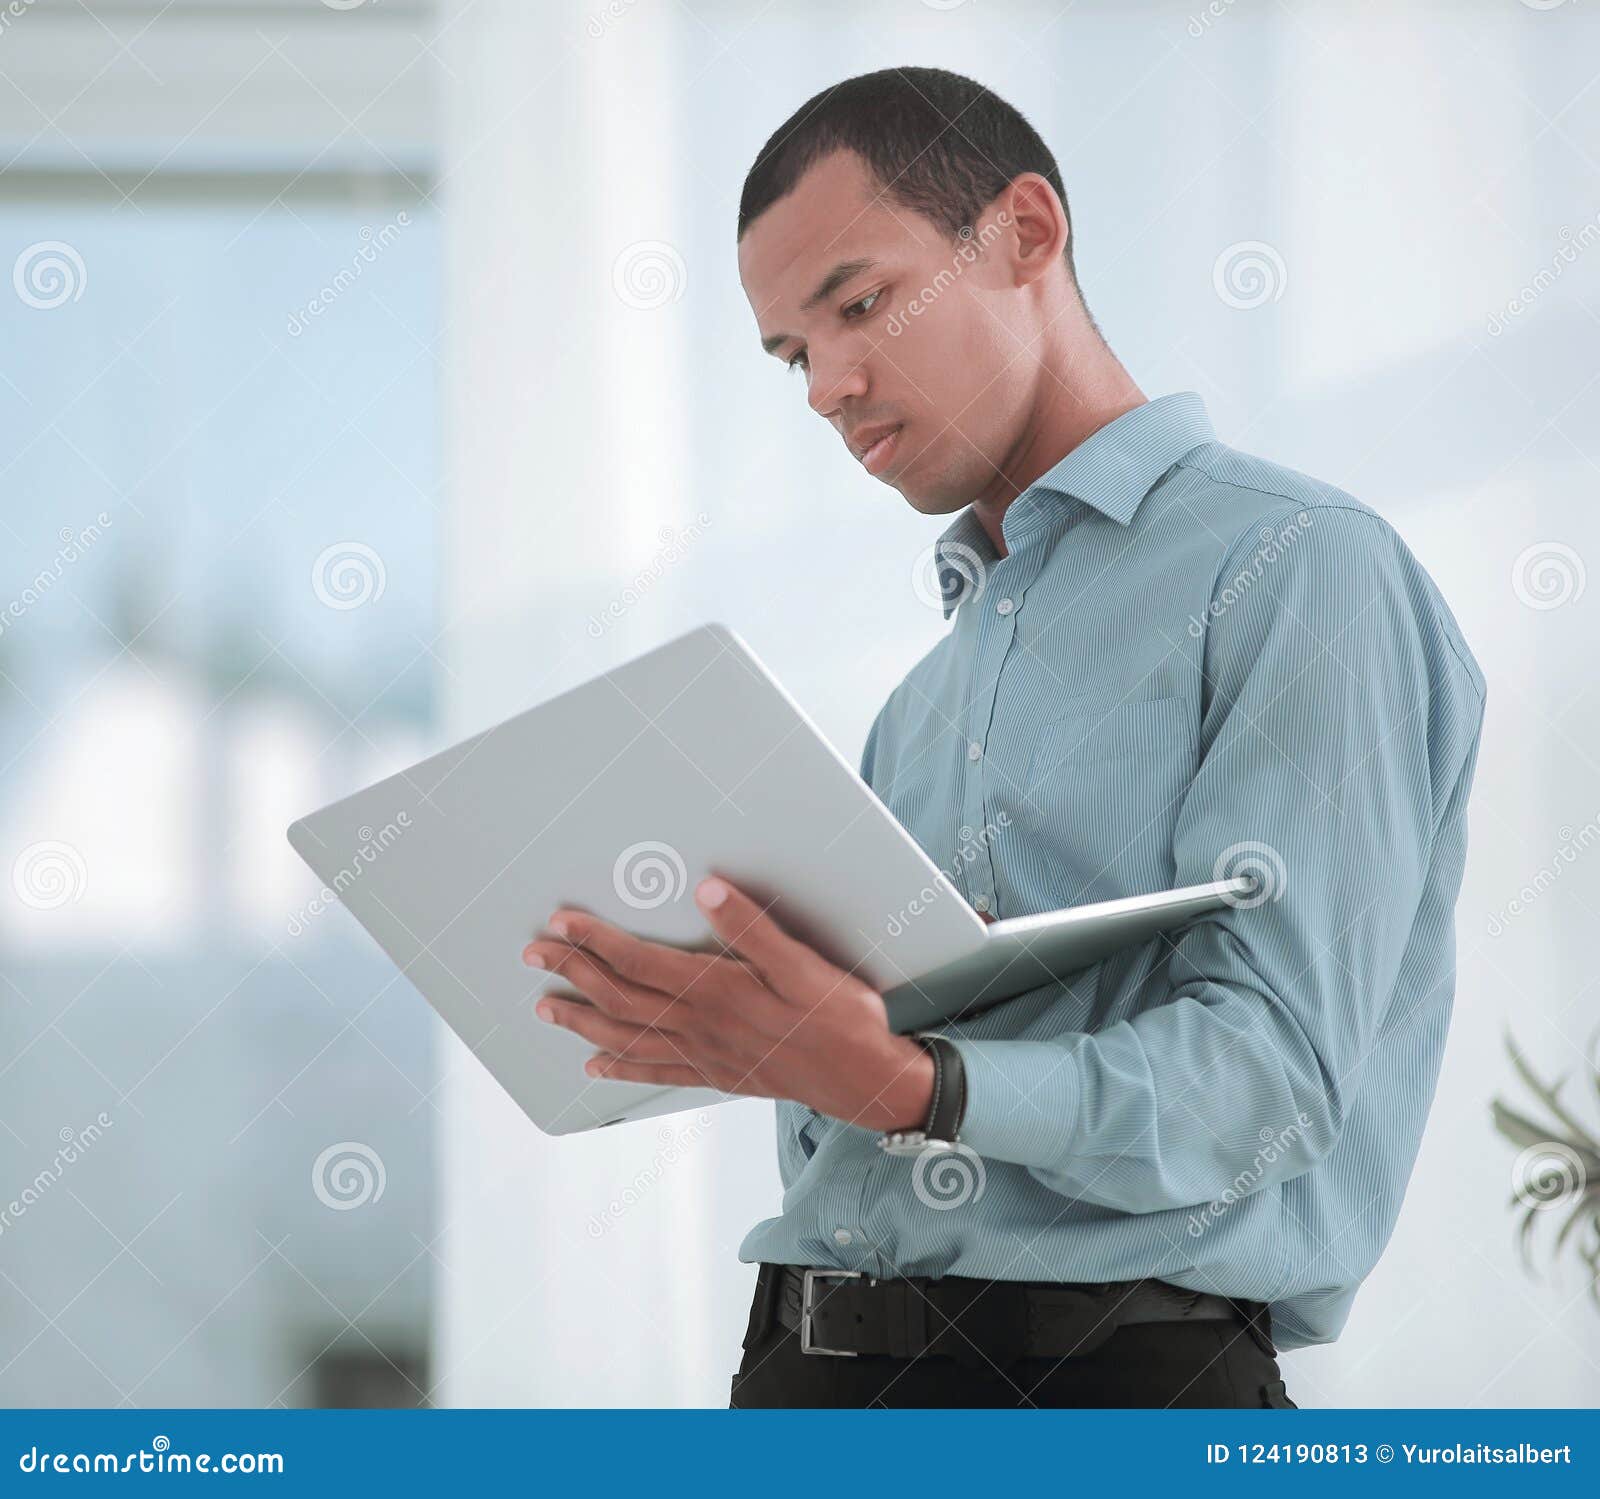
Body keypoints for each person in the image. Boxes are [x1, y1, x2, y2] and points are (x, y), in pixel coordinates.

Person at [520, 66, 1486, 1408]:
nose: (827, 387)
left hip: (1102, 1388)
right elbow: (841, 1109)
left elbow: (1269, 1082)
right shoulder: (914, 710)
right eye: (795, 354)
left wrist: (919, 1086)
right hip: (804, 1374)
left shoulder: (1300, 572)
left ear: (1026, 233)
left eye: (858, 305)